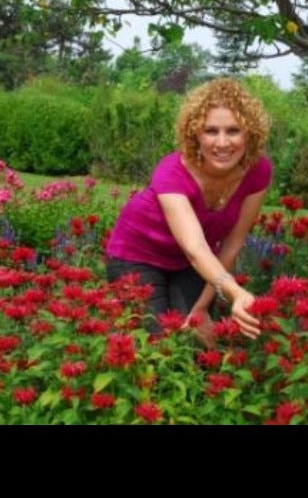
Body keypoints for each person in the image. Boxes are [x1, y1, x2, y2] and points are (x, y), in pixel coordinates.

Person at [105, 78, 271, 340]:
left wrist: (202, 307)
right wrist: (236, 293)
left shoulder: (257, 171)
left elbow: (232, 244)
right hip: (137, 255)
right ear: (195, 134)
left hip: (188, 264)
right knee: (151, 342)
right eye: (211, 131)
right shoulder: (172, 171)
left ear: (249, 133)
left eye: (233, 131)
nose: (222, 143)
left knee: (195, 340)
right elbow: (196, 248)